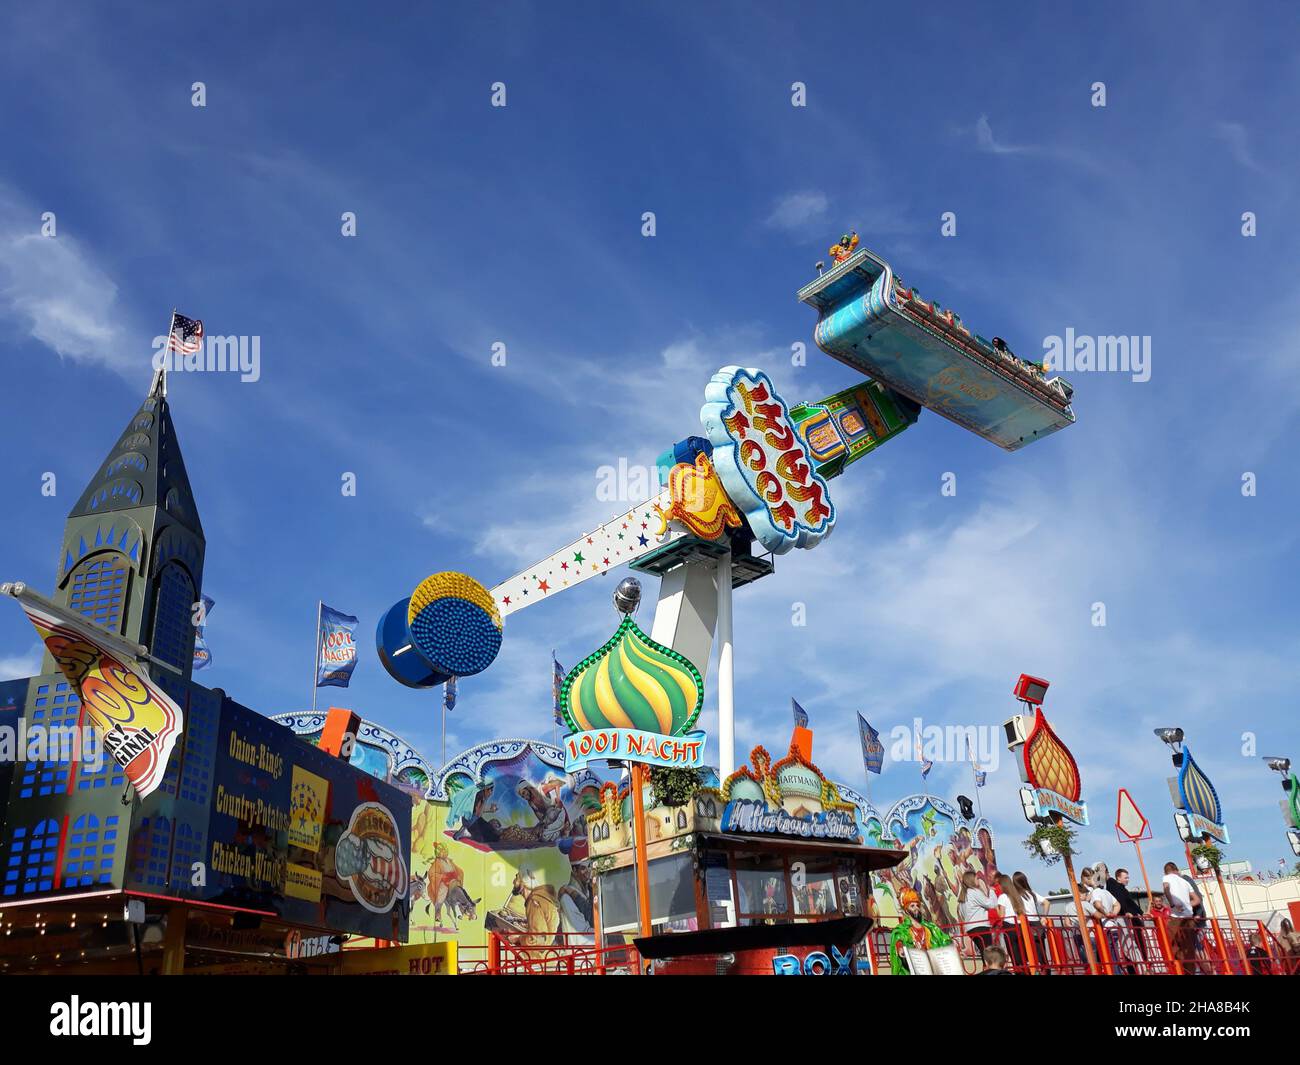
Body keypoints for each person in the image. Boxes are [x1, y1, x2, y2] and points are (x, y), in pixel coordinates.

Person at [888, 887, 953, 976]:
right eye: (912, 906)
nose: (916, 908)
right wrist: (900, 948)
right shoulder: (902, 929)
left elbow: (945, 940)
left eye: (917, 905)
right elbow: (899, 939)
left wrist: (950, 944)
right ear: (906, 910)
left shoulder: (931, 927)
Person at [1082, 868, 1125, 974]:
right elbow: (1117, 904)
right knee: (1114, 955)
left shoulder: (1095, 892)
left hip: (1104, 928)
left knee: (1108, 956)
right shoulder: (1106, 892)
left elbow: (1097, 904)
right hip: (1113, 926)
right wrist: (1113, 914)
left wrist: (1106, 914)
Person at [1162, 861, 1202, 974]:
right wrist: (1187, 905)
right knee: (1188, 948)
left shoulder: (1166, 878)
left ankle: (1177, 970)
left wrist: (1173, 904)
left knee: (1172, 946)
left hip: (1176, 917)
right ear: (1176, 870)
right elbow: (1197, 899)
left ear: (1166, 871)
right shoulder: (1184, 881)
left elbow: (1166, 888)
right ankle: (1190, 971)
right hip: (1189, 917)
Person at [1012, 870, 1051, 972]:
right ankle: (1045, 971)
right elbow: (1047, 902)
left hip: (1024, 924)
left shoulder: (1015, 895)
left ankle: (1033, 971)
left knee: (1027, 953)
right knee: (1041, 952)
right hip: (1037, 924)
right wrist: (1044, 917)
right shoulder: (1032, 893)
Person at [1109, 867, 1148, 967]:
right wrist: (1127, 912)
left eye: (1128, 877)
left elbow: (1130, 903)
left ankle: (1140, 965)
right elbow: (1122, 901)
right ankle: (1142, 966)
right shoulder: (1115, 886)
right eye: (1125, 877)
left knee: (1130, 944)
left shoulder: (1123, 889)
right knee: (1128, 944)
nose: (1128, 880)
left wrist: (1141, 913)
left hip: (1128, 918)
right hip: (1122, 918)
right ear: (1118, 878)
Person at [958, 870, 999, 960]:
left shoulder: (963, 896)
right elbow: (992, 904)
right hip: (980, 927)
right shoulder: (974, 892)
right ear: (972, 880)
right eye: (977, 878)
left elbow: (962, 914)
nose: (979, 880)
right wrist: (991, 892)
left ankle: (987, 968)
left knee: (984, 953)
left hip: (970, 929)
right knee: (989, 955)